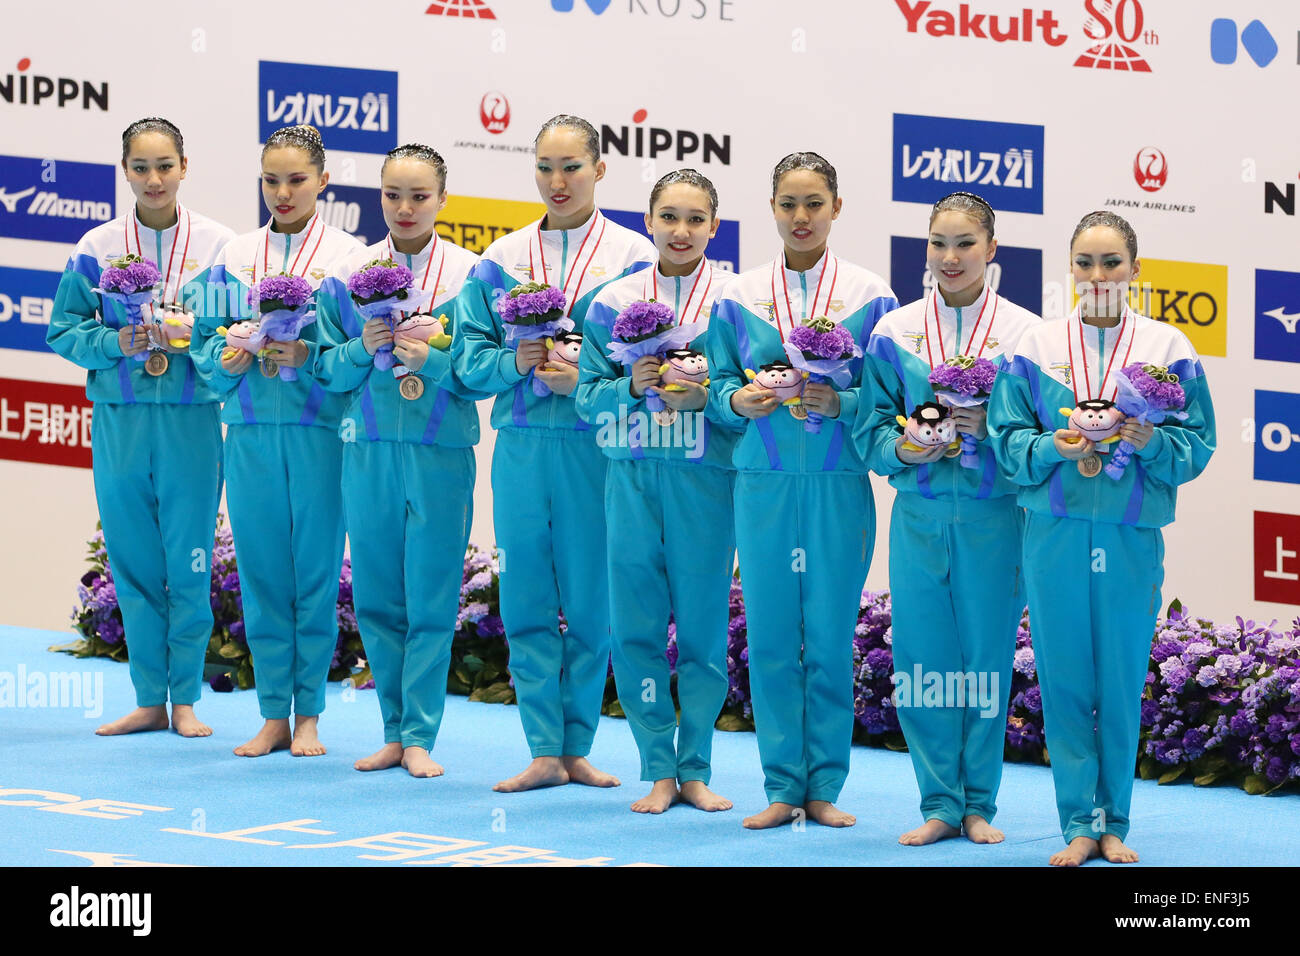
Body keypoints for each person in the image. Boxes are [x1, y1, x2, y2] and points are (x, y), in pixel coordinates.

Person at [987, 210, 1215, 865]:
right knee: (1063, 680)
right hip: (1054, 532)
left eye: (1111, 262)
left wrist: (1152, 440)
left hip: (1129, 533)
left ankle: (1115, 820)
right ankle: (1078, 825)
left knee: (1118, 679)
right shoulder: (1035, 345)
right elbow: (1006, 441)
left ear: (1135, 270)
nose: (1097, 275)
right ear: (1071, 270)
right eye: (1085, 262)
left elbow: (1198, 445)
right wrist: (1050, 446)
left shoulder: (1169, 349)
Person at [452, 113, 656, 792]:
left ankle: (580, 746)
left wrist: (592, 381)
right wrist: (518, 360)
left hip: (598, 447)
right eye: (544, 166)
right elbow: (468, 364)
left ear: (601, 170)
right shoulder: (501, 259)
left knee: (594, 598)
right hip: (521, 445)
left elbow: (654, 365)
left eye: (571, 166)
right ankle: (544, 747)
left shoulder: (635, 259)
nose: (557, 180)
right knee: (530, 596)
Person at [707, 151, 898, 829]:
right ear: (772, 209)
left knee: (826, 636)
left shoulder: (872, 296)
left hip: (836, 485)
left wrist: (838, 402)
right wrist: (739, 401)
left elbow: (888, 401)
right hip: (762, 483)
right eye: (788, 203)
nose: (801, 216)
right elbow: (715, 389)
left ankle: (825, 786)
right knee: (769, 638)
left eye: (814, 202)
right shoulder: (738, 295)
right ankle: (782, 784)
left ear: (837, 208)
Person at [856, 191, 1040, 846]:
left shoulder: (1025, 334)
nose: (950, 257)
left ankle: (980, 803)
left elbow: (1038, 436)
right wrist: (905, 446)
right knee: (925, 659)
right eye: (938, 243)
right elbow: (869, 431)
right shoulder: (894, 331)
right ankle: (938, 801)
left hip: (995, 515)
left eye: (965, 243)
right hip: (922, 512)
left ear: (992, 250)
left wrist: (990, 427)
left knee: (985, 657)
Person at [48, 117, 234, 738]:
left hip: (190, 419)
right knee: (131, 557)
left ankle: (185, 698)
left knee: (188, 558)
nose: (154, 179)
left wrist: (196, 341)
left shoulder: (218, 246)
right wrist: (116, 340)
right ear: (124, 170)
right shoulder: (95, 246)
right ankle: (149, 696)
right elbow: (64, 330)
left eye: (164, 166)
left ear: (185, 167)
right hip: (121, 419)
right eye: (140, 167)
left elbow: (237, 335)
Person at [315, 143, 486, 777]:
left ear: (443, 199)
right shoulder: (347, 274)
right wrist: (362, 348)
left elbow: (480, 372)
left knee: (433, 595)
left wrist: (431, 360)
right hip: (368, 450)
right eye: (393, 195)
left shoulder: (472, 275)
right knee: (380, 596)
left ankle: (421, 735)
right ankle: (392, 728)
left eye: (419, 195)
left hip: (441, 451)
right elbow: (326, 371)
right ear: (377, 196)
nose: (406, 207)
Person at [191, 124, 362, 758]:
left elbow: (357, 352)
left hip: (320, 432)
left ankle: (310, 713)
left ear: (323, 182)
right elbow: (204, 343)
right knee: (262, 574)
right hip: (252, 432)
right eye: (271, 180)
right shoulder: (233, 257)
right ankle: (271, 713)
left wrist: (309, 352)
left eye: (296, 180)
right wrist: (229, 360)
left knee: (314, 574)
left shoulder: (351, 259)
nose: (282, 192)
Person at [575, 169, 739, 813]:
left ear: (714, 228)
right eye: (669, 216)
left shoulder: (733, 302)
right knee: (637, 627)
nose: (681, 230)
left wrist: (709, 398)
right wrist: (630, 385)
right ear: (648, 222)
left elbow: (749, 396)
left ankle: (694, 765)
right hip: (632, 479)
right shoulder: (611, 301)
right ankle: (657, 768)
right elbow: (587, 399)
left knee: (702, 629)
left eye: (695, 219)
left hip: (705, 480)